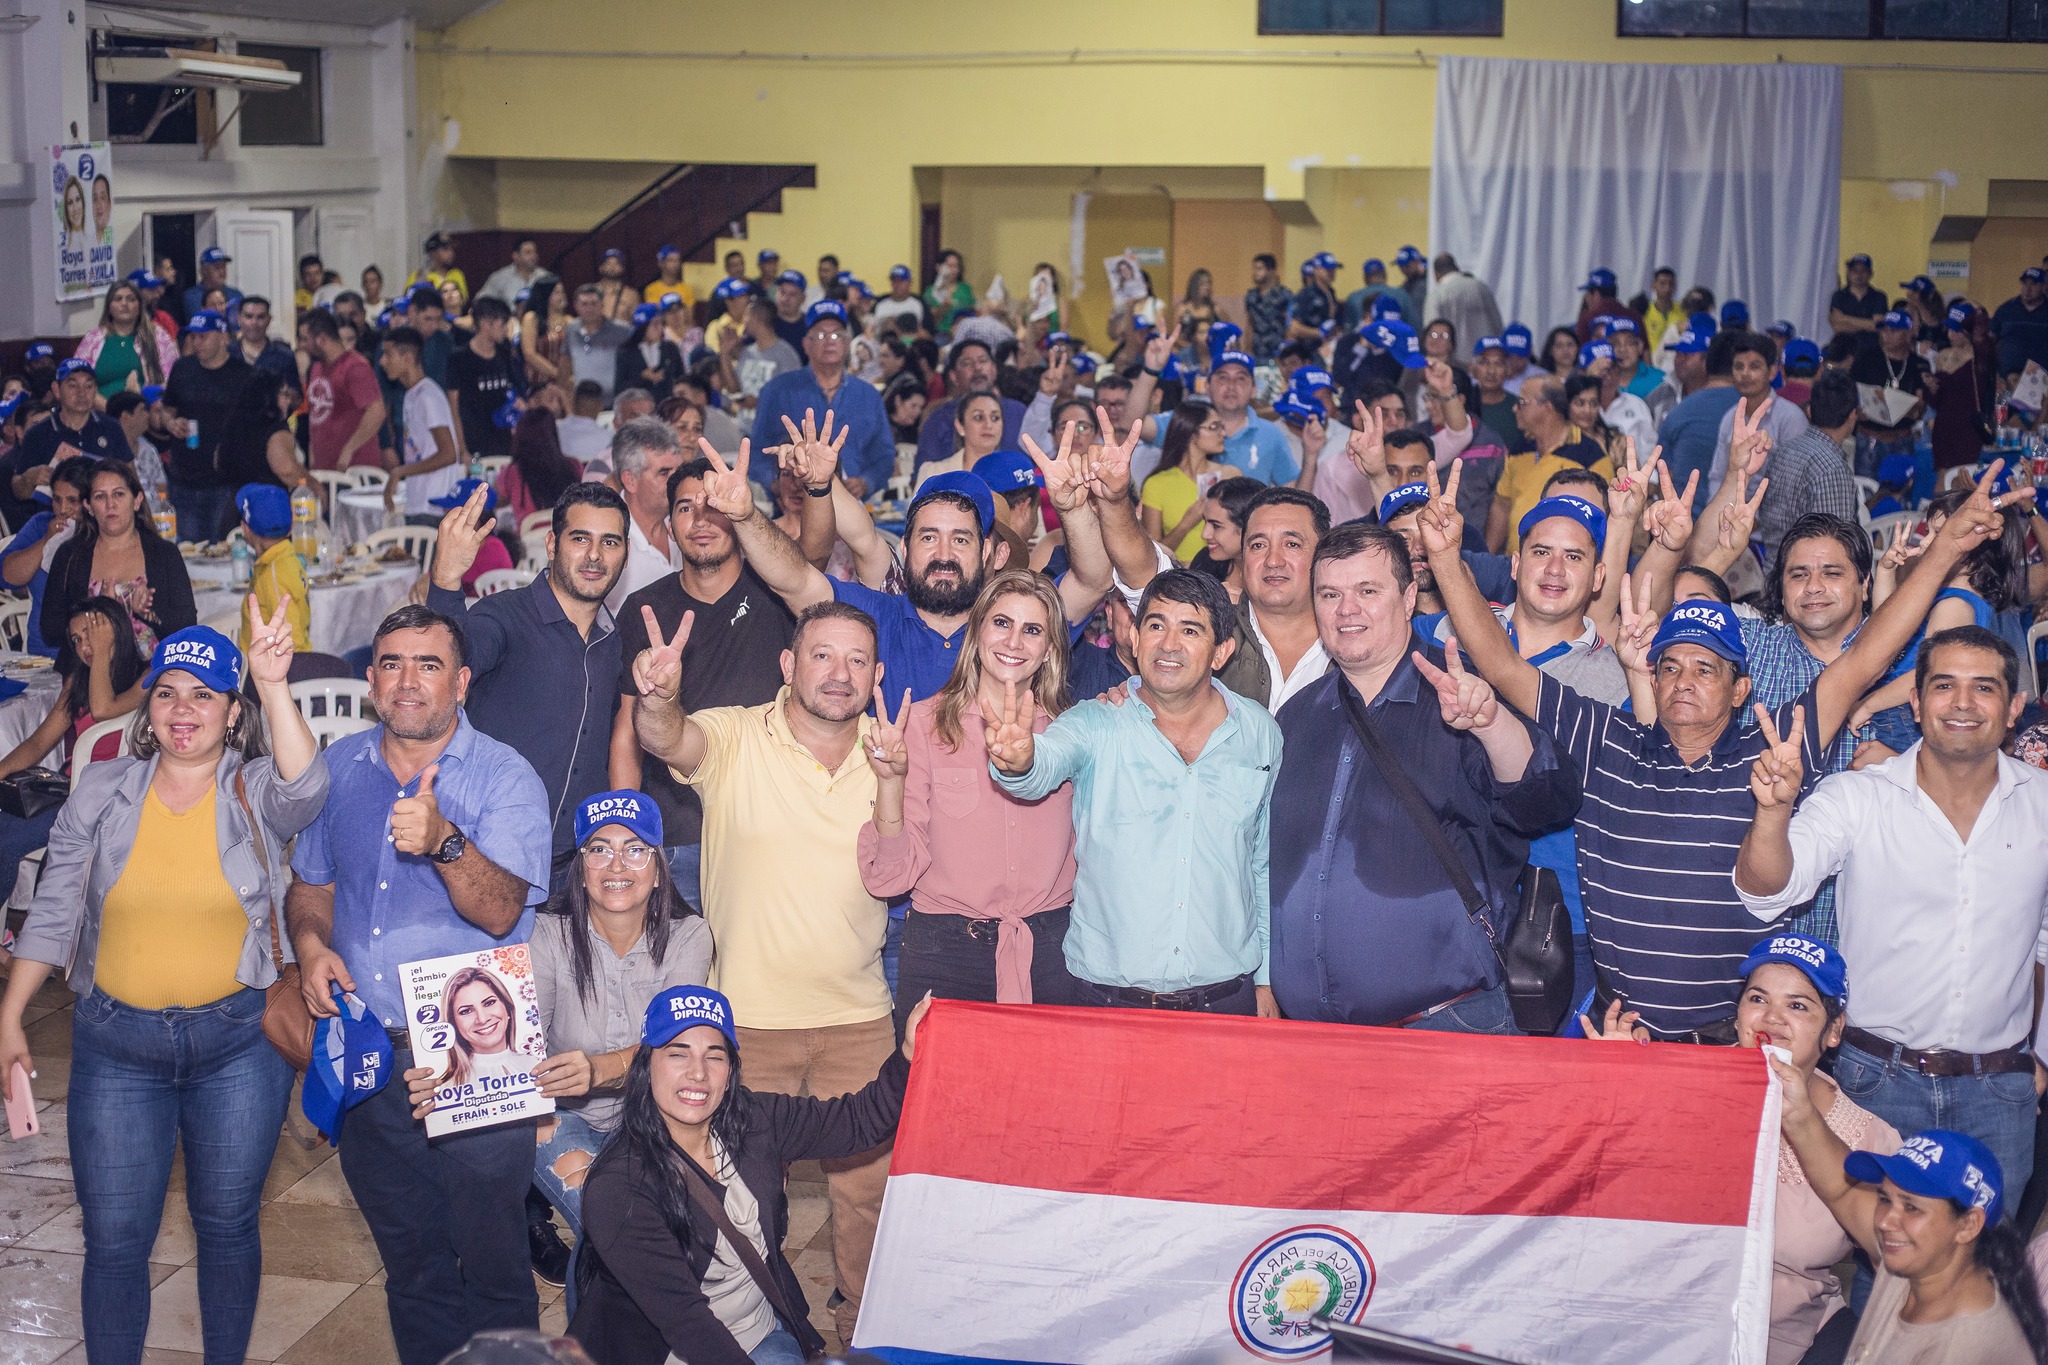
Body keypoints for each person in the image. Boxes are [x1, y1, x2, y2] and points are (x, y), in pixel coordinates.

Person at [1417, 456, 2013, 1041]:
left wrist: (1943, 553)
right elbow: (1498, 661)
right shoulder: (1605, 740)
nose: (1684, 681)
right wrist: (1446, 558)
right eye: (1670, 666)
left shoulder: (1772, 746)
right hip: (1619, 1040)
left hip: (1734, 1046)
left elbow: (1862, 661)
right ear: (1649, 677)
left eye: (1706, 668)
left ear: (1740, 688)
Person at [0, 609, 324, 1365]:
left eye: (204, 694)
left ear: (231, 711)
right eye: (169, 693)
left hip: (239, 1043)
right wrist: (12, 1013)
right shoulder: (103, 789)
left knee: (226, 1225)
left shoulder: (254, 792)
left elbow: (308, 789)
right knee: (114, 1240)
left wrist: (274, 686)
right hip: (117, 1045)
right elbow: (51, 908)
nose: (184, 710)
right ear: (149, 708)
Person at [286, 604, 554, 1365]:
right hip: (369, 1049)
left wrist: (442, 839)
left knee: (496, 1266)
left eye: (429, 664)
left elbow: (503, 910)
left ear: (462, 681)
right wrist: (308, 946)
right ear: (370, 679)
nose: (409, 680)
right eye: (393, 663)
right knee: (413, 1268)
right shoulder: (338, 771)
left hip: (474, 1046)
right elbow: (311, 886)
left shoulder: (504, 775)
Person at [628, 598, 896, 1342]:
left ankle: (865, 1333)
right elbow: (669, 737)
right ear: (789, 663)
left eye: (855, 660)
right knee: (743, 1199)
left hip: (858, 1015)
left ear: (876, 674)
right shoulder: (736, 734)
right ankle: (755, 1333)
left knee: (868, 1195)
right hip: (745, 1023)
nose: (837, 674)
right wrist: (658, 696)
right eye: (821, 654)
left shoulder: (895, 751)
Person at [1737, 624, 2048, 1196]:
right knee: (1879, 1265)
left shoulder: (2044, 806)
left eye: (1983, 687)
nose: (1961, 703)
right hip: (1875, 1085)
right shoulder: (1860, 796)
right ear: (1915, 700)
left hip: (2000, 1091)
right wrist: (1773, 813)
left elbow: (2045, 942)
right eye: (1943, 685)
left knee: (1988, 1274)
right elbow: (1767, 891)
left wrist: (2040, 1059)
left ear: (2014, 708)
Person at [1268, 522, 1576, 1030]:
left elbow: (1547, 801)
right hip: (1313, 1037)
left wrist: (1493, 725)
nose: (1347, 610)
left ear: (1409, 597)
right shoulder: (1295, 718)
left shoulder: (1461, 694)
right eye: (1330, 594)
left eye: (1368, 591)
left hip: (1447, 1027)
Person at [565, 984, 931, 1365]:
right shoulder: (618, 1187)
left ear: (731, 1070)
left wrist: (908, 1053)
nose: (697, 1073)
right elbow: (688, 1327)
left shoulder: (755, 1119)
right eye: (677, 1054)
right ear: (647, 1066)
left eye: (715, 1056)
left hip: (759, 1331)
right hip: (667, 1353)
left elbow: (858, 1122)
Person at [990, 568, 1282, 1018]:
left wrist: (1264, 981)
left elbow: (1260, 863)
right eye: (1156, 625)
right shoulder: (1095, 722)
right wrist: (1017, 760)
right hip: (1107, 1002)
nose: (1169, 644)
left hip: (1227, 1000)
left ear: (1221, 651)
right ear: (1135, 637)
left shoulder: (1259, 732)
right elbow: (1039, 769)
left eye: (1190, 629)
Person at [858, 568, 1080, 1022]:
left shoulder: (1074, 733)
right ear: (977, 632)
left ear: (1050, 649)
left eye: (1032, 630)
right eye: (1002, 623)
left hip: (1054, 953)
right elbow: (890, 879)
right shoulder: (920, 726)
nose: (1014, 642)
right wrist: (890, 782)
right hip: (946, 954)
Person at [426, 481, 629, 889]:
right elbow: (446, 669)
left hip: (579, 869)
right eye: (580, 538)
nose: (594, 555)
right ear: (552, 544)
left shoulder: (614, 640)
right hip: (491, 860)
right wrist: (447, 579)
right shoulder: (503, 616)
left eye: (609, 542)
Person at [1776, 1109, 2045, 1363]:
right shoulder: (1919, 1265)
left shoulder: (1967, 1348)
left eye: (1911, 1207)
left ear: (1968, 1226)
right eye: (1884, 1198)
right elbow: (1842, 1190)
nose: (1884, 1221)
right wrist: (1799, 1112)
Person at [0, 595, 148, 876]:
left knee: (7, 840)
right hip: (71, 790)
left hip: (114, 799)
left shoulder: (146, 676)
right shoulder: (77, 681)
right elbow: (38, 743)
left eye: (91, 634)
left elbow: (103, 709)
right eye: (76, 640)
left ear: (114, 630)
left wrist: (102, 652)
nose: (84, 646)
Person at [44, 459, 196, 656]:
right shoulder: (70, 554)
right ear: (88, 506)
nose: (110, 505)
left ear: (137, 500)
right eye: (100, 497)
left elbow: (186, 628)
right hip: (87, 671)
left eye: (118, 494)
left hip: (149, 675)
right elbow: (50, 629)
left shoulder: (164, 553)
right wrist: (101, 611)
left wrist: (144, 613)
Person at [748, 300, 894, 498]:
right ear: (806, 344)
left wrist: (866, 482)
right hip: (793, 508)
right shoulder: (777, 391)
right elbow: (757, 453)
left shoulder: (869, 396)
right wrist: (776, 485)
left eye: (836, 334)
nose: (830, 341)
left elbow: (884, 456)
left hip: (853, 507)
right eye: (820, 334)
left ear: (847, 342)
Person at [1214, 487, 1332, 711]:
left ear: (1324, 556)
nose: (1273, 561)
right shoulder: (1211, 632)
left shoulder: (1355, 636)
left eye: (1292, 544)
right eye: (1258, 545)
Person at [1490, 374, 1615, 553]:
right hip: (1513, 564)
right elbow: (1502, 505)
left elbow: (1602, 520)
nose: (1515, 408)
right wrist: (1489, 554)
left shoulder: (1590, 455)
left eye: (1522, 402)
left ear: (1547, 407)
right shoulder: (1520, 447)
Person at [4, 358, 130, 529]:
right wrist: (30, 478)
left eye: (88, 386)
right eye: (72, 385)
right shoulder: (38, 433)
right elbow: (18, 491)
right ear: (56, 390)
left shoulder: (111, 427)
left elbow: (130, 477)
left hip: (103, 523)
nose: (82, 393)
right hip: (54, 525)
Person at [0, 456, 93, 656]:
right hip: (44, 654)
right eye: (57, 500)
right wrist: (46, 540)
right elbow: (7, 576)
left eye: (72, 501)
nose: (63, 509)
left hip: (91, 651)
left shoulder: (103, 532)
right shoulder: (41, 524)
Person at [599, 418, 685, 613]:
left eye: (678, 470)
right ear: (630, 481)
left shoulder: (689, 522)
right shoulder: (604, 538)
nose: (677, 480)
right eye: (664, 472)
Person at [379, 325, 462, 523]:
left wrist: (400, 472)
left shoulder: (428, 396)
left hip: (433, 504)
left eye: (388, 355)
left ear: (407, 358)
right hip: (419, 499)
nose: (382, 362)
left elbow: (449, 454)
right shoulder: (411, 395)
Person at [1657, 322, 1741, 515]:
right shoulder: (1754, 410)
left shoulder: (1679, 412)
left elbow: (1665, 476)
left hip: (1685, 527)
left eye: (1687, 355)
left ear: (1707, 362)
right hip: (1739, 529)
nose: (1678, 361)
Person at [915, 339, 1026, 471]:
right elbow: (922, 477)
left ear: (994, 369)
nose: (977, 368)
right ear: (954, 376)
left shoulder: (1018, 411)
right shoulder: (939, 419)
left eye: (983, 361)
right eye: (967, 363)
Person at [304, 308, 388, 472]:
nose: (302, 345)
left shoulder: (355, 366)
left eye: (305, 339)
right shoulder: (316, 367)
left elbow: (376, 412)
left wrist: (349, 449)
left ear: (321, 340)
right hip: (325, 468)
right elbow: (316, 414)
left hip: (355, 468)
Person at [1850, 310, 1931, 479]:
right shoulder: (1866, 359)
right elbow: (1851, 391)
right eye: (1884, 330)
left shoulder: (1919, 365)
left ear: (1908, 334)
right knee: (1866, 490)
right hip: (1870, 436)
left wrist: (1916, 407)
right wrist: (1857, 411)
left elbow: (1921, 404)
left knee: (1901, 493)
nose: (1887, 335)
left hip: (1902, 437)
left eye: (1893, 331)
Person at [447, 296, 526, 461]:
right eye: (503, 324)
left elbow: (514, 389)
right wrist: (462, 450)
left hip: (504, 442)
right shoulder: (459, 359)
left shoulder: (505, 354)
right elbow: (453, 409)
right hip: (474, 444)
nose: (506, 330)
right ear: (485, 323)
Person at [235, 483, 310, 650]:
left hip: (274, 669)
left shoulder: (273, 574)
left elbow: (292, 640)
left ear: (245, 529)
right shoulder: (287, 559)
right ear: (291, 527)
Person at [216, 367, 312, 495]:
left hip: (236, 504)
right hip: (270, 504)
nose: (289, 400)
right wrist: (313, 485)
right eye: (285, 394)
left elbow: (217, 461)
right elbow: (287, 470)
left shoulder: (233, 426)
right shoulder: (275, 431)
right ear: (269, 397)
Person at [75, 280, 177, 400]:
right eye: (118, 299)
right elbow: (77, 380)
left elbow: (173, 381)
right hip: (99, 411)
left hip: (144, 409)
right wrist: (108, 407)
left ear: (139, 305)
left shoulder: (158, 336)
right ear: (109, 306)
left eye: (131, 299)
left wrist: (143, 395)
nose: (124, 303)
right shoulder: (93, 338)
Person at [1930, 300, 1994, 474]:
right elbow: (1936, 401)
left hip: (1968, 429)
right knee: (1942, 483)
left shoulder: (1981, 359)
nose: (1950, 335)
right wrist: (1931, 388)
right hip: (1943, 427)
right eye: (1949, 329)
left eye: (1956, 331)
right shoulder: (1943, 356)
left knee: (1964, 481)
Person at [497, 407, 583, 526]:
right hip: (566, 537)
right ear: (553, 434)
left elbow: (496, 502)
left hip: (529, 540)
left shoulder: (511, 473)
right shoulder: (574, 466)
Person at [1424, 253, 1502, 364]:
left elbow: (1432, 329)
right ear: (1457, 268)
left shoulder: (1437, 294)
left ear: (1435, 274)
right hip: (1486, 361)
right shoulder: (1481, 287)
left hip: (1455, 364)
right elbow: (1498, 325)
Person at [562, 284, 633, 405]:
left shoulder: (622, 331)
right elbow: (565, 362)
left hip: (615, 402)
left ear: (602, 305)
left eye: (594, 303)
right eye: (584, 304)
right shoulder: (571, 329)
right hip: (582, 402)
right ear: (576, 306)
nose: (590, 309)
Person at [1990, 266, 2048, 380]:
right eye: (2024, 283)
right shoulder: (2006, 309)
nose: (2027, 288)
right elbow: (1990, 340)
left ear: (2044, 286)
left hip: (2041, 380)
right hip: (2006, 378)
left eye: (2033, 284)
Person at [1827, 252, 1889, 358]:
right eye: (1855, 270)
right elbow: (1837, 327)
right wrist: (1867, 324)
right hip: (1843, 352)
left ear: (1870, 274)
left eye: (1863, 271)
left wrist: (1844, 318)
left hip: (1871, 350)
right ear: (1848, 273)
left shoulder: (1879, 296)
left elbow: (1878, 326)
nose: (1859, 275)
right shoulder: (1838, 296)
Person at [1575, 268, 1641, 343]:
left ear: (1596, 294)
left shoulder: (1586, 318)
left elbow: (1580, 351)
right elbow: (1646, 352)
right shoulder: (1634, 315)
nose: (1586, 299)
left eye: (1587, 294)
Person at [179, 246, 242, 321]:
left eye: (223, 266)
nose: (222, 272)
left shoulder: (235, 294)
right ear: (203, 271)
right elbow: (202, 322)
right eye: (217, 267)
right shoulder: (192, 296)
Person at [478, 238, 542, 308]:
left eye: (535, 252)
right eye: (528, 252)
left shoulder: (544, 277)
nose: (533, 256)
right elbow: (481, 300)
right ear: (515, 256)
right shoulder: (499, 277)